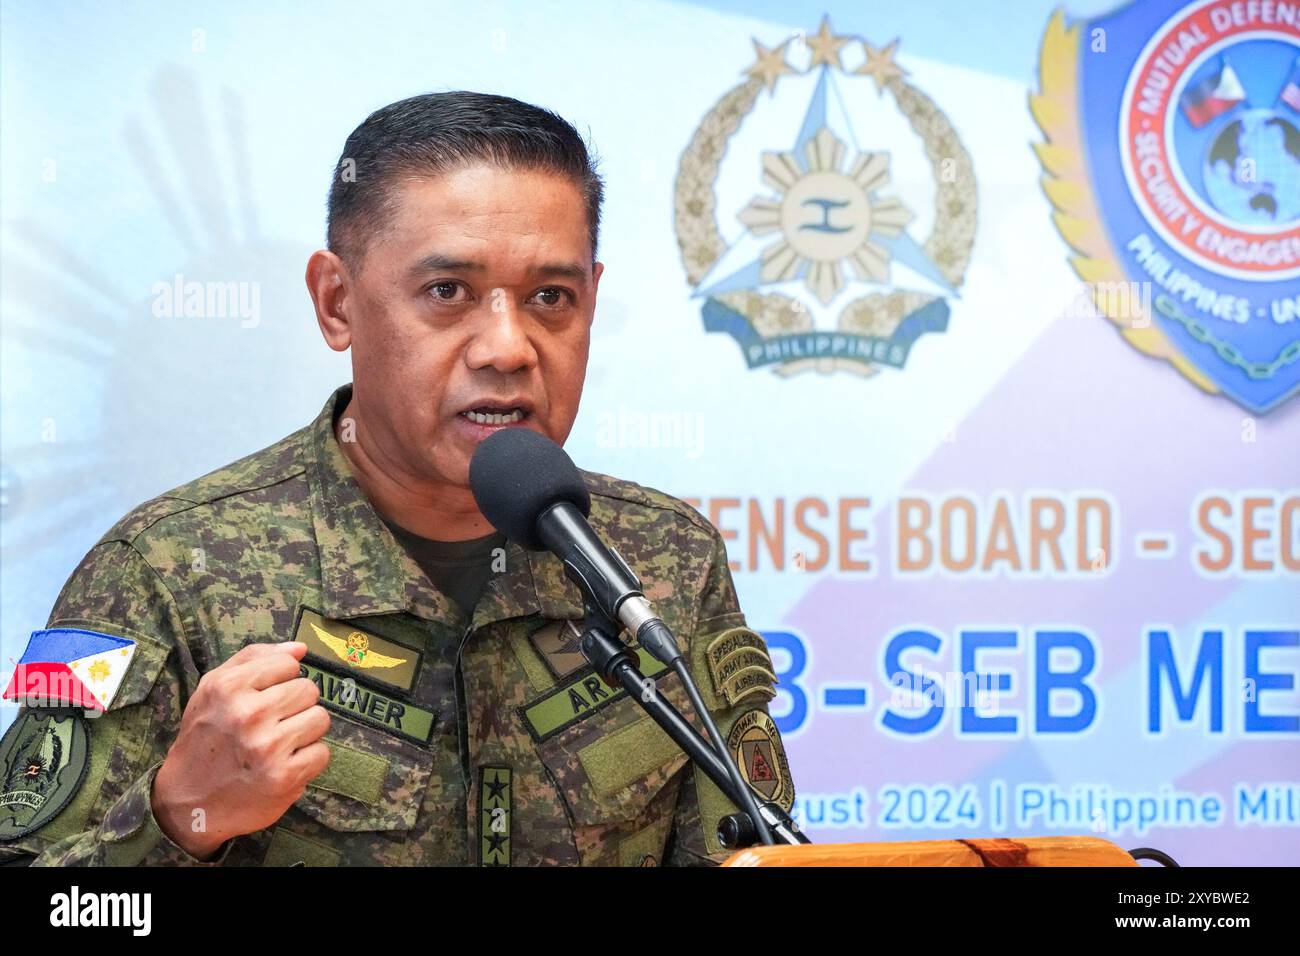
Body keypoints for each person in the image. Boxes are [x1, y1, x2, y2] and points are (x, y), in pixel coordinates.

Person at [0, 91, 794, 866]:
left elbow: (756, 855)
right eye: (447, 292)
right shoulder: (166, 569)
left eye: (551, 297)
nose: (508, 348)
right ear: (337, 301)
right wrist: (177, 820)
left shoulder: (663, 561)